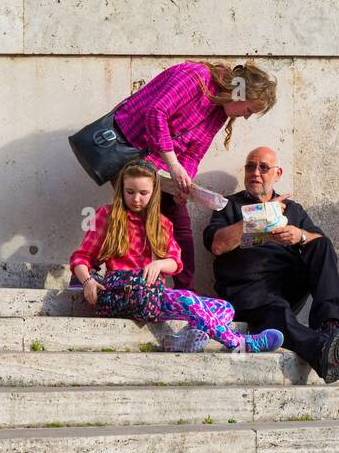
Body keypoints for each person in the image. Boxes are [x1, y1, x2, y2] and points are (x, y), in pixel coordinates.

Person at [69, 160, 283, 354]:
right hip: (122, 295)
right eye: (130, 191)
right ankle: (240, 343)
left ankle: (180, 342)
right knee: (188, 299)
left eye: (143, 192)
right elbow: (81, 258)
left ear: (154, 192)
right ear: (121, 191)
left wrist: (160, 264)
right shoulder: (107, 216)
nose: (136, 199)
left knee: (225, 307)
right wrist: (87, 281)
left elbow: (176, 263)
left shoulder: (162, 223)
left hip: (153, 295)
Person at [113, 60, 276, 288]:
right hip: (131, 154)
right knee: (134, 222)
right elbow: (156, 112)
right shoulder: (196, 76)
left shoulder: (220, 112)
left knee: (181, 229)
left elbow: (194, 152)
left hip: (162, 169)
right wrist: (173, 164)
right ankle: (121, 283)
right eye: (248, 109)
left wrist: (184, 184)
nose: (246, 117)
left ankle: (185, 293)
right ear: (239, 92)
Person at [203, 146, 339, 383]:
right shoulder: (228, 205)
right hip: (246, 288)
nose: (255, 172)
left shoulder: (294, 209)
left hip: (285, 285)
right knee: (276, 311)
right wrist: (261, 215)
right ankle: (321, 350)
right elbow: (218, 245)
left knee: (322, 245)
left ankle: (329, 327)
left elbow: (318, 241)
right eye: (250, 166)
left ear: (278, 173)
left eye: (263, 167)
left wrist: (300, 235)